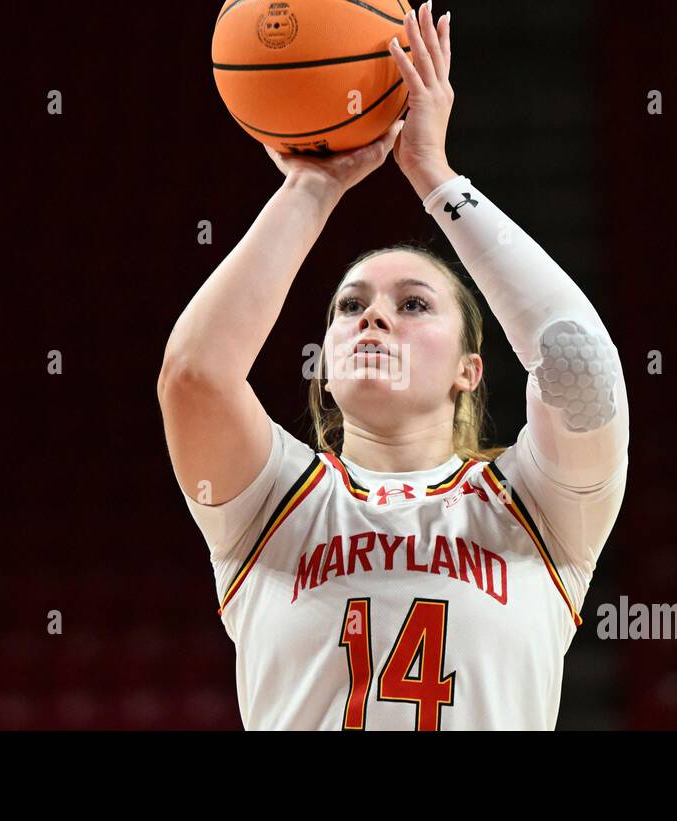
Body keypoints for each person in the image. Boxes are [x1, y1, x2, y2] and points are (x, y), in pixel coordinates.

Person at [158, 3, 628, 730]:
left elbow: (582, 363)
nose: (372, 316)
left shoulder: (538, 508)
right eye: (349, 306)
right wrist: (312, 187)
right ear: (325, 364)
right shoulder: (271, 504)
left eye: (413, 304)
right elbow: (194, 376)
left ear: (469, 370)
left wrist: (437, 180)